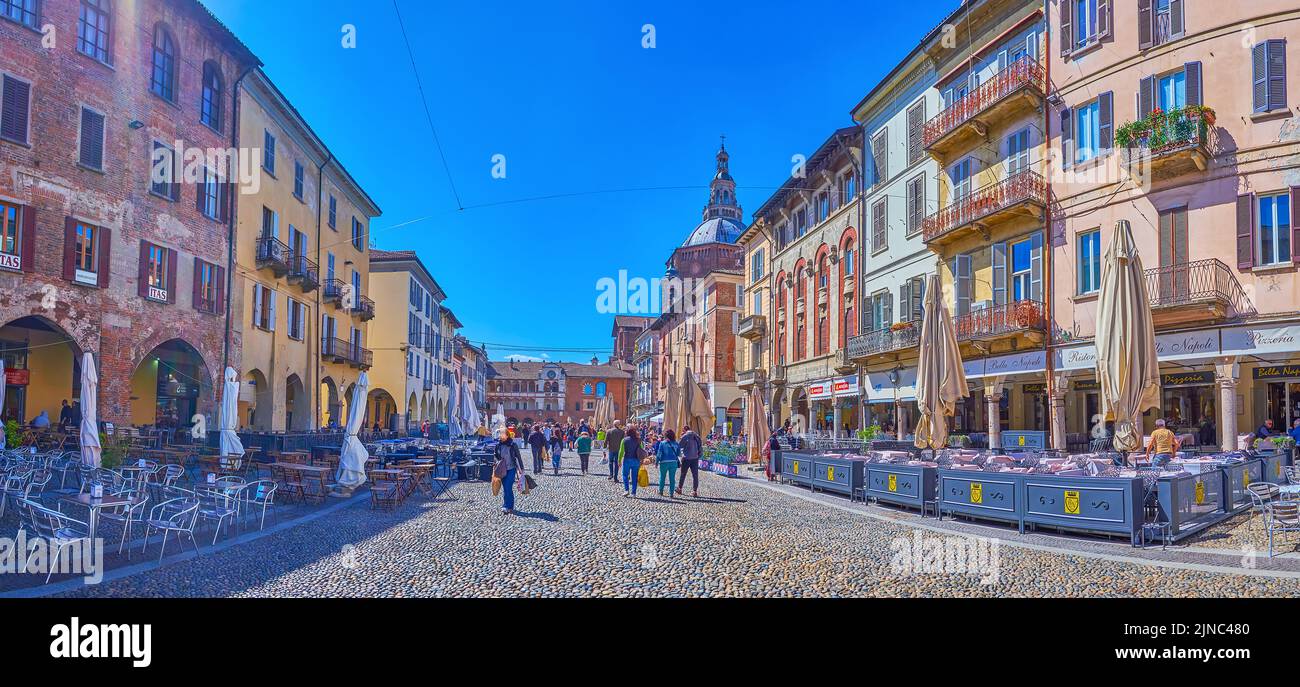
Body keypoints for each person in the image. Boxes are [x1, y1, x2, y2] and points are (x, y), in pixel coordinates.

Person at [493, 429, 525, 515]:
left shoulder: (512, 445)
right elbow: (495, 455)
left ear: (507, 435)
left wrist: (521, 468)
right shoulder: (498, 445)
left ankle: (507, 506)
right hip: (502, 469)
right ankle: (508, 505)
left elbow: (518, 456)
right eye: (500, 434)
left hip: (511, 469)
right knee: (505, 488)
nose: (501, 436)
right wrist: (497, 461)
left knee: (508, 486)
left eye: (503, 434)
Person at [676, 425, 703, 497]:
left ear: (685, 430)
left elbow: (679, 446)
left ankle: (679, 488)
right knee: (695, 475)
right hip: (695, 458)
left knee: (683, 474)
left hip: (686, 458)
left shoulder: (685, 436)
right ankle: (694, 491)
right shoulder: (696, 436)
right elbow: (700, 446)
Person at [620, 427, 646, 497]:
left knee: (625, 475)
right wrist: (642, 460)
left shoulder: (624, 440)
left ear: (627, 433)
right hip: (636, 460)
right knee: (634, 476)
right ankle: (633, 493)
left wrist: (619, 460)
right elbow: (641, 450)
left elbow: (621, 451)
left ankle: (626, 490)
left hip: (627, 459)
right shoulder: (638, 440)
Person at [656, 429, 681, 498]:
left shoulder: (662, 443)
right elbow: (679, 453)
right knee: (672, 478)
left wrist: (656, 462)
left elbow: (659, 454)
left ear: (665, 435)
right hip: (673, 462)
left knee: (662, 477)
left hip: (664, 462)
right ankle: (671, 493)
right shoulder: (676, 443)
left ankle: (661, 491)